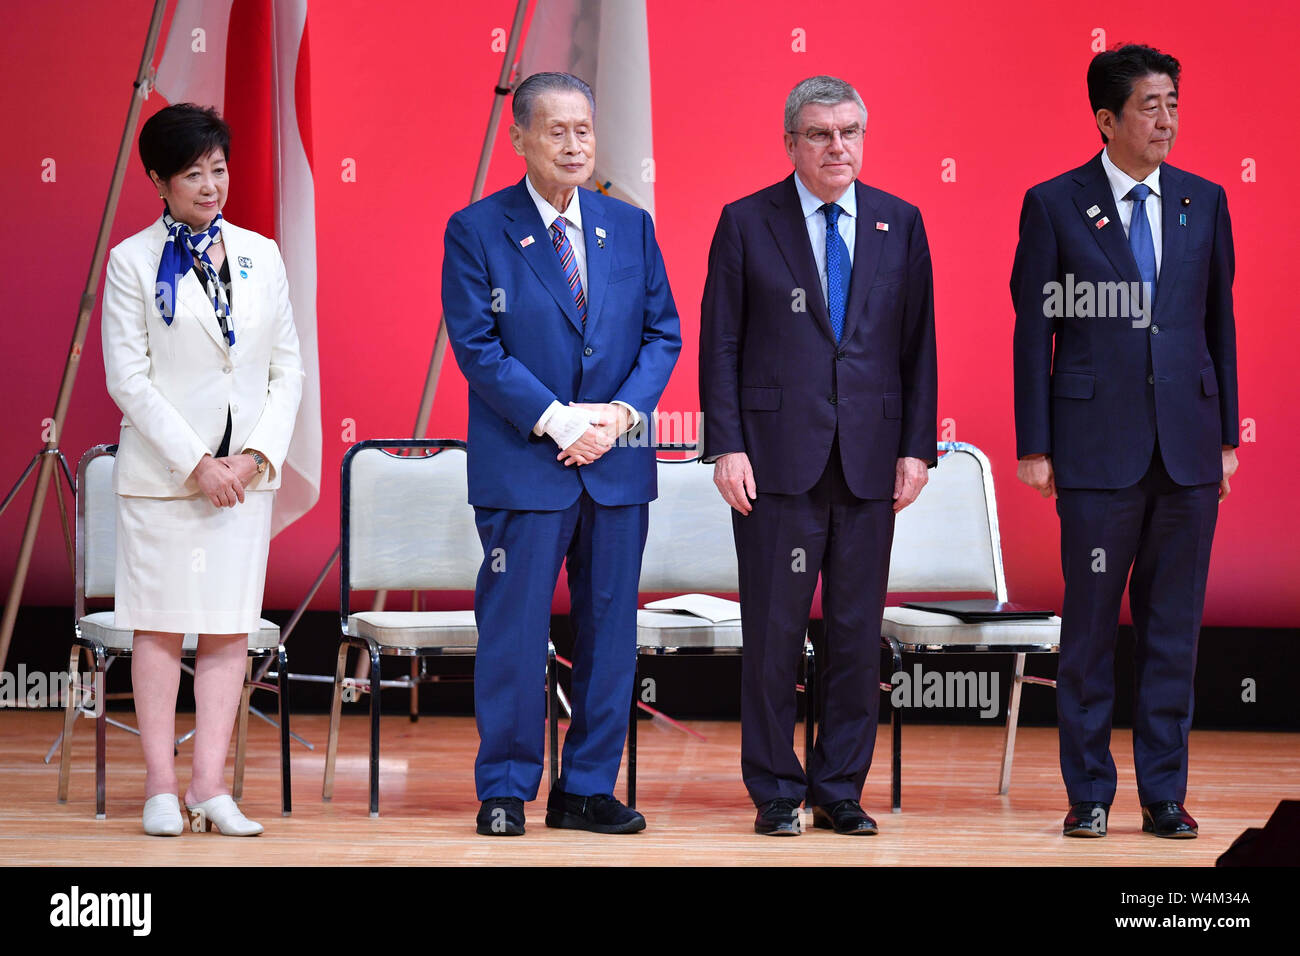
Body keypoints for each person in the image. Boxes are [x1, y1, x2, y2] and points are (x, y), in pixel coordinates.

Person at [441, 72, 681, 836]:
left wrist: (617, 416)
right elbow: (477, 347)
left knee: (610, 633)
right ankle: (506, 788)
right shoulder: (477, 229)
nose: (575, 144)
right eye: (557, 131)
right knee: (513, 631)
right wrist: (555, 421)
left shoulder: (629, 225)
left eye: (584, 129)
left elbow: (661, 333)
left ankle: (586, 789)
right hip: (525, 466)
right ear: (519, 138)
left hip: (615, 465)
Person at [699, 75, 938, 836]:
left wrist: (915, 449)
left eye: (852, 132)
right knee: (773, 634)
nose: (839, 147)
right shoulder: (745, 222)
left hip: (870, 461)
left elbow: (917, 348)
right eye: (822, 134)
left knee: (854, 631)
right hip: (773, 463)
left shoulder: (901, 222)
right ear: (790, 143)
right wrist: (727, 445)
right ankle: (774, 788)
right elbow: (722, 345)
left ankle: (839, 788)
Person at [1011, 44, 1239, 839]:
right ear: (1106, 119)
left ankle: (1165, 796)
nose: (1167, 119)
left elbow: (1219, 325)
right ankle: (1090, 795)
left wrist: (1224, 439)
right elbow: (1032, 329)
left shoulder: (1203, 201)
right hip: (1095, 452)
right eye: (1151, 105)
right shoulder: (1054, 204)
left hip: (1186, 451)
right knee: (1091, 633)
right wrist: (1035, 443)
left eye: (1173, 102)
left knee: (1172, 633)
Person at [101, 103, 304, 836]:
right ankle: (160, 788)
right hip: (166, 480)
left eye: (219, 169)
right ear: (158, 179)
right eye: (193, 174)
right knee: (157, 628)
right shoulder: (129, 262)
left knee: (226, 628)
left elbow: (288, 371)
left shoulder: (263, 254)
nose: (211, 185)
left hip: (243, 482)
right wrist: (197, 464)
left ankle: (210, 787)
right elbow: (128, 379)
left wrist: (252, 459)